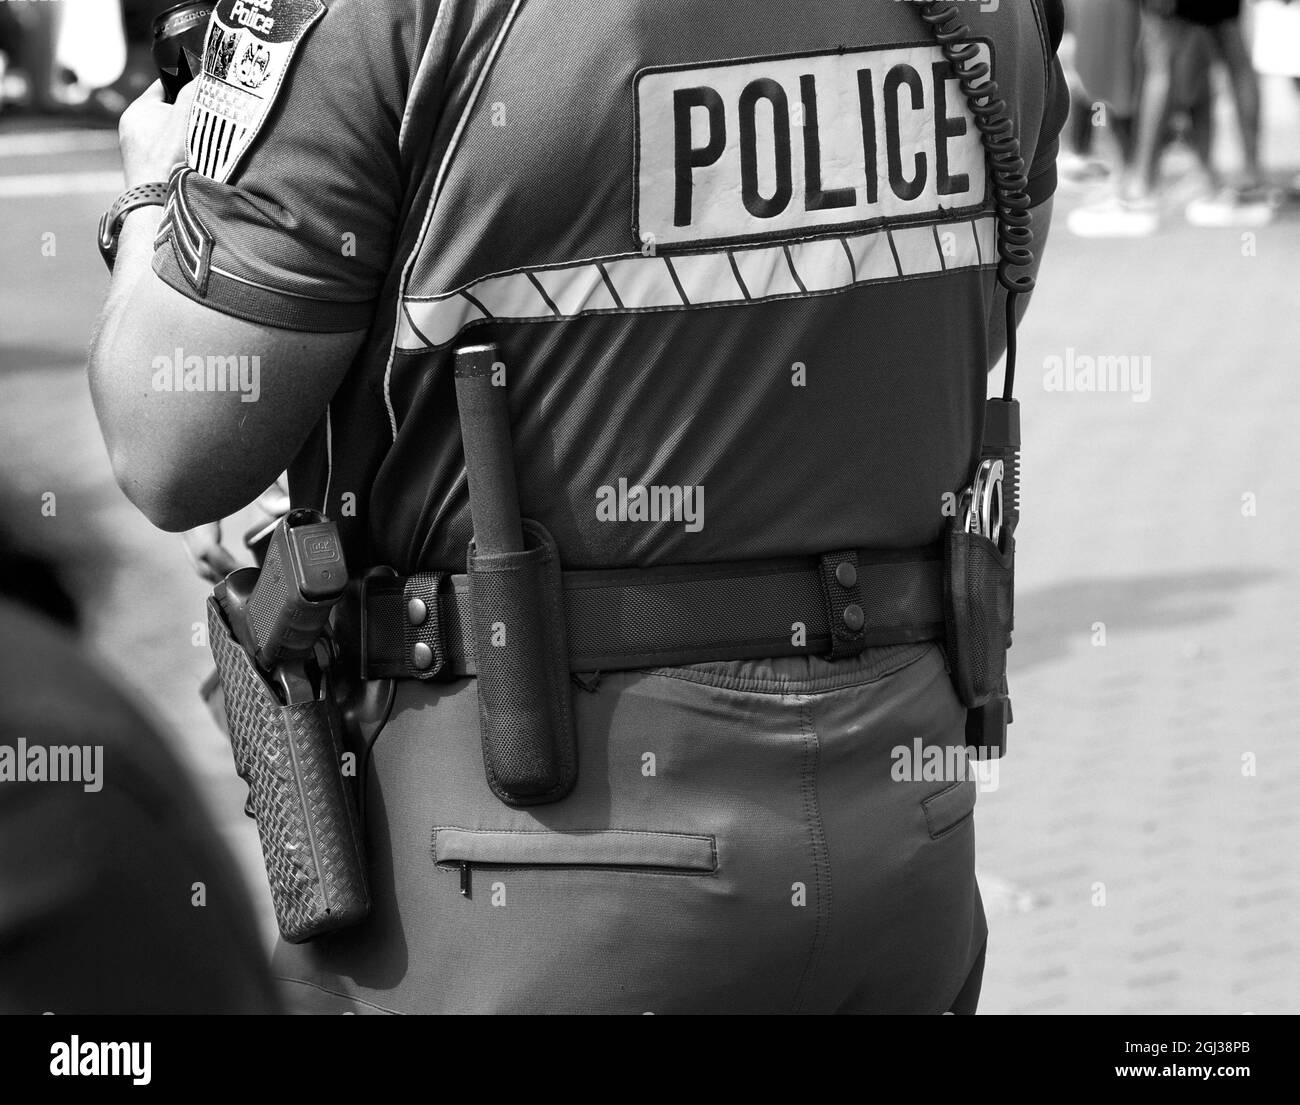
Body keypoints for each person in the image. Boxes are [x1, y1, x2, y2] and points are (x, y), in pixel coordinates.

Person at [88, 0, 1067, 1013]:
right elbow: (978, 315)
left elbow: (169, 447)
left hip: (518, 875)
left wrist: (157, 189)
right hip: (905, 852)